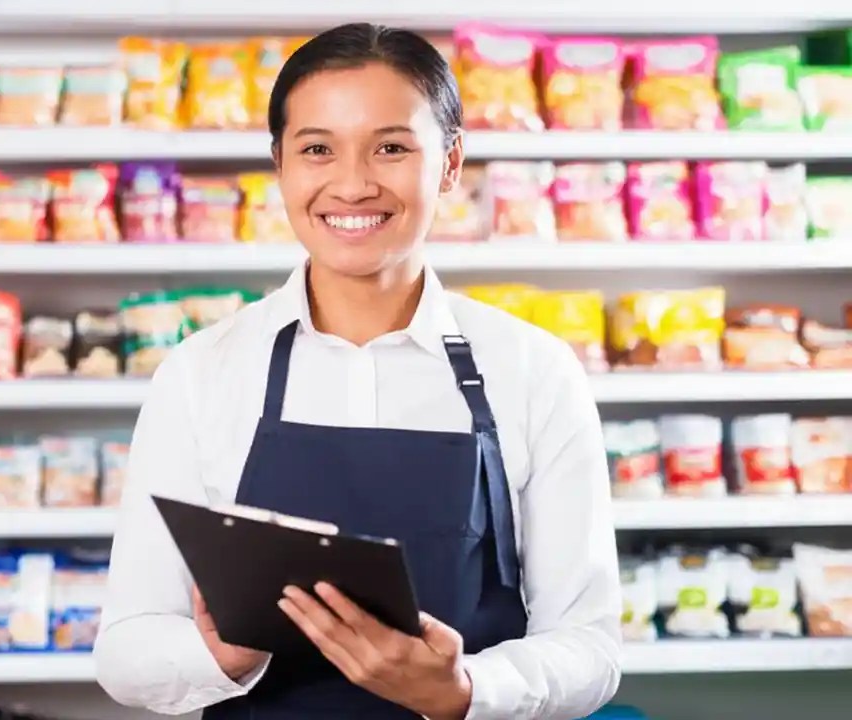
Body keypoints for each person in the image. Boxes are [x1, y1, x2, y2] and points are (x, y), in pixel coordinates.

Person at [94, 22, 622, 720]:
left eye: (392, 148)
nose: (352, 184)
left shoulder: (532, 370)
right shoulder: (202, 372)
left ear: (452, 161)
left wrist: (462, 692)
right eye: (317, 149)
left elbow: (589, 648)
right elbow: (126, 649)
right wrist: (219, 658)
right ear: (279, 162)